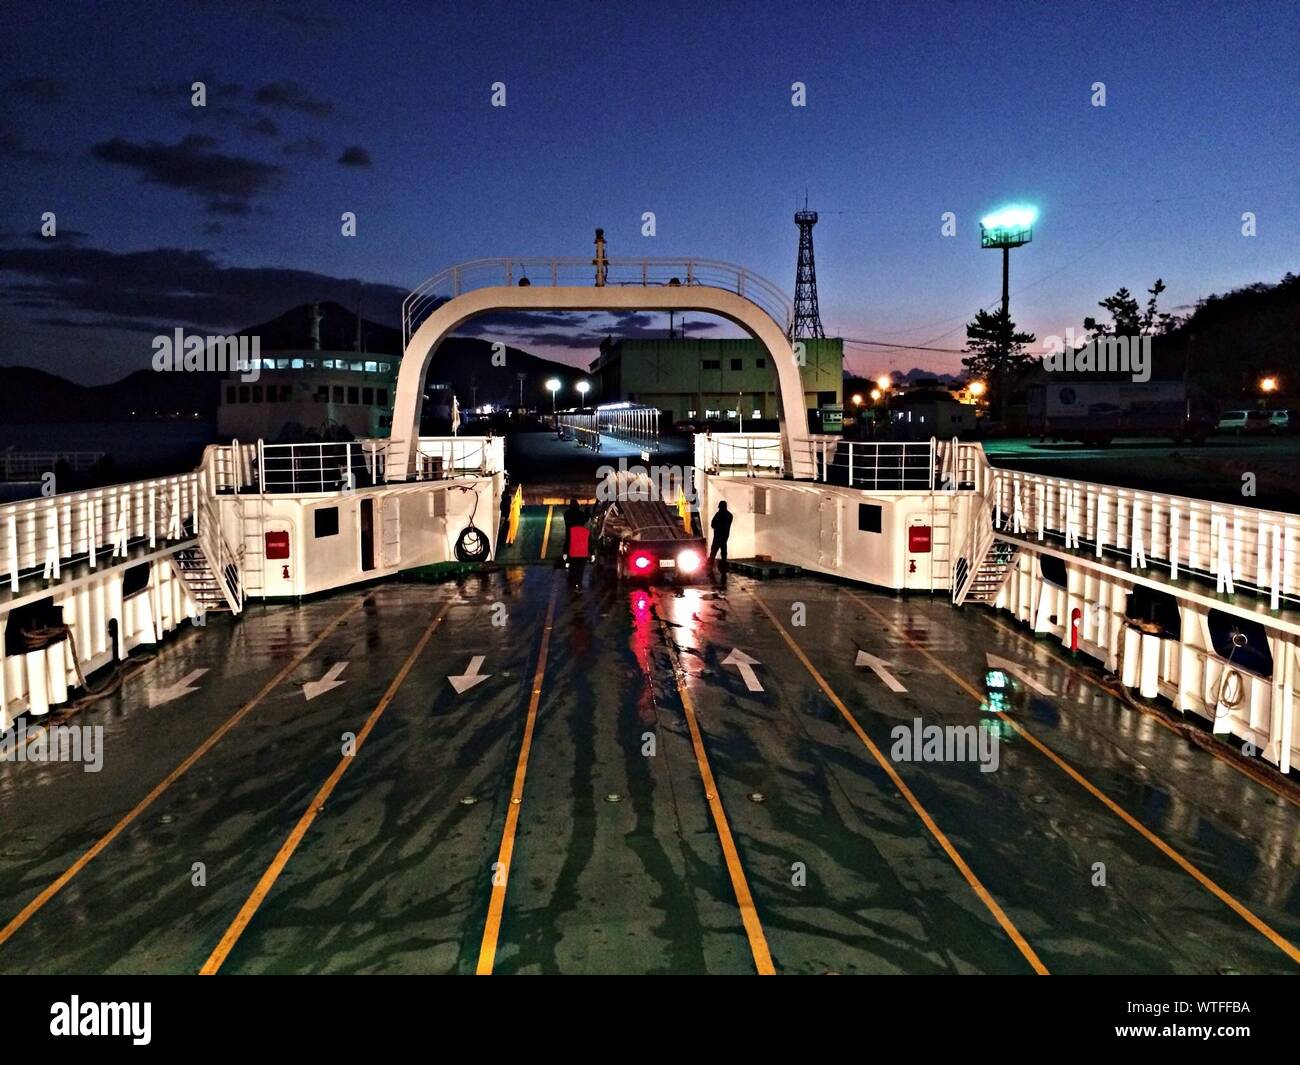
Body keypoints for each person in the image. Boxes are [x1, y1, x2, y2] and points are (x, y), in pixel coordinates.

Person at [565, 507, 591, 590]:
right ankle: (578, 584)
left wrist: (565, 553)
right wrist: (592, 553)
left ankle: (573, 582)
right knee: (580, 570)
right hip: (583, 554)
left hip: (573, 553)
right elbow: (590, 543)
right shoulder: (586, 531)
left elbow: (567, 543)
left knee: (574, 568)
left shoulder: (571, 531)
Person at [709, 500, 733, 578]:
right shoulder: (729, 515)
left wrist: (717, 526)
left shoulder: (718, 514)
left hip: (718, 536)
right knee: (723, 550)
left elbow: (712, 524)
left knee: (714, 550)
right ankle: (723, 564)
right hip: (725, 536)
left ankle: (710, 565)